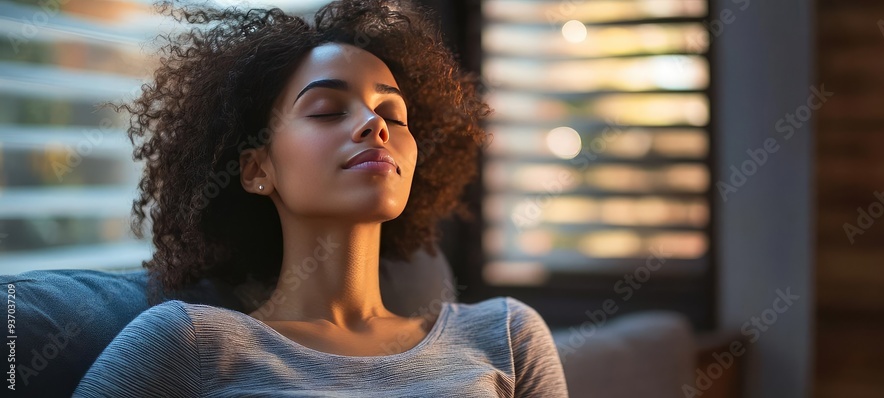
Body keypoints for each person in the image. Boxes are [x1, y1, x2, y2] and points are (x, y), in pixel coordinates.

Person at [72, 0, 568, 396]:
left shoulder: (506, 336)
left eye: (392, 114)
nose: (374, 124)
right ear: (257, 168)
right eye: (328, 110)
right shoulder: (184, 345)